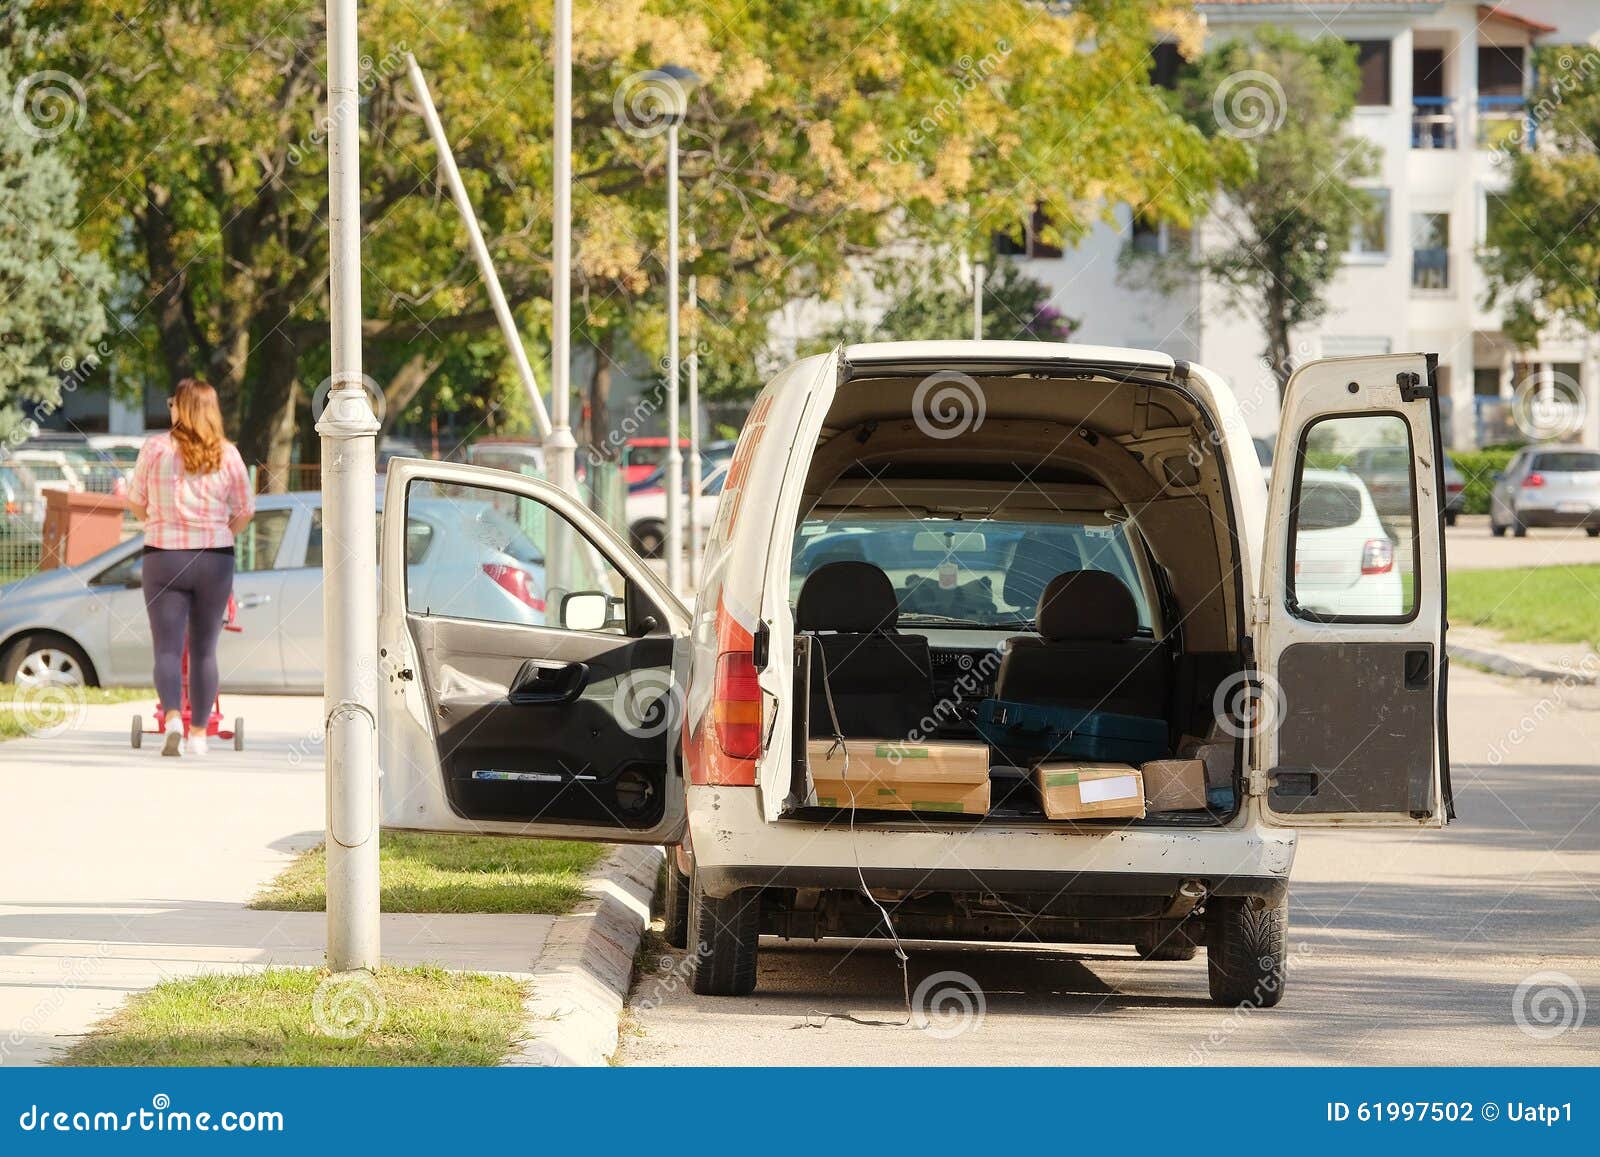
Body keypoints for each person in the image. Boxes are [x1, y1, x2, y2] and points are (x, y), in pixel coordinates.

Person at [127, 379, 255, 757]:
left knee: (166, 650)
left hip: (163, 555)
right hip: (214, 558)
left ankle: (170, 720)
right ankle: (199, 734)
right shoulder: (228, 454)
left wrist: (156, 518)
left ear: (181, 408)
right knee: (204, 650)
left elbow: (136, 502)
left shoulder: (155, 449)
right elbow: (246, 510)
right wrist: (221, 532)